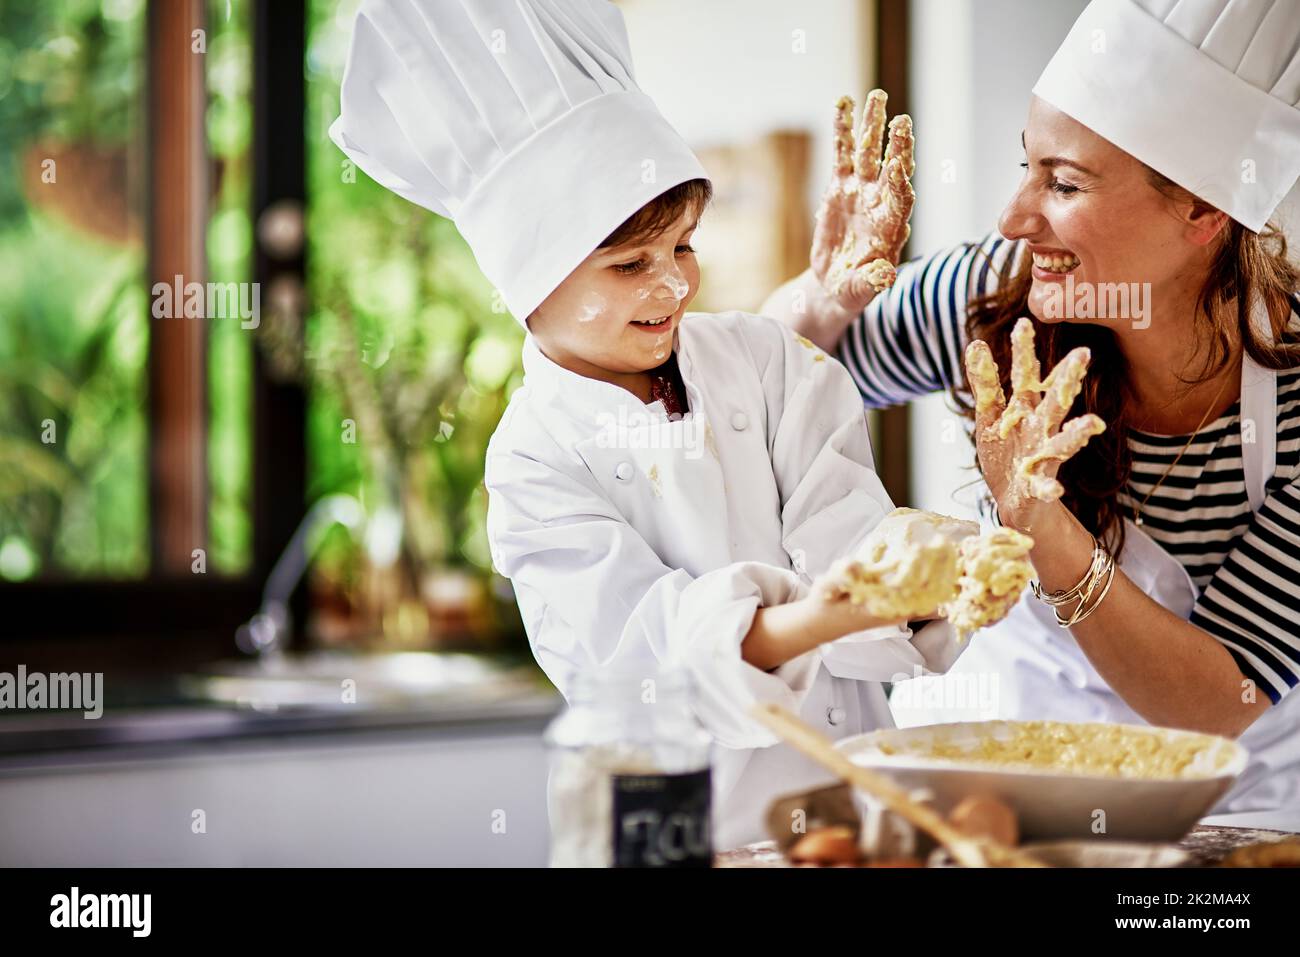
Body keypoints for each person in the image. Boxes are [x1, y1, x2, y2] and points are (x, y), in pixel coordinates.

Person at [328, 0, 1099, 848]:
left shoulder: (765, 359)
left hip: (850, 818)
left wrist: (957, 568)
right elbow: (656, 665)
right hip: (684, 834)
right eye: (630, 265)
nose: (674, 287)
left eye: (683, 247)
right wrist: (845, 604)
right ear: (529, 281)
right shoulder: (531, 461)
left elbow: (855, 541)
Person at [764, 0, 1300, 825]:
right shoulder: (998, 293)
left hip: (1238, 821)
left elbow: (1216, 701)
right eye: (1027, 167)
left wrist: (1040, 525)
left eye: (1064, 182)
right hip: (1016, 800)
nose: (1015, 217)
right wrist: (821, 297)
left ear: (1202, 209)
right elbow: (761, 398)